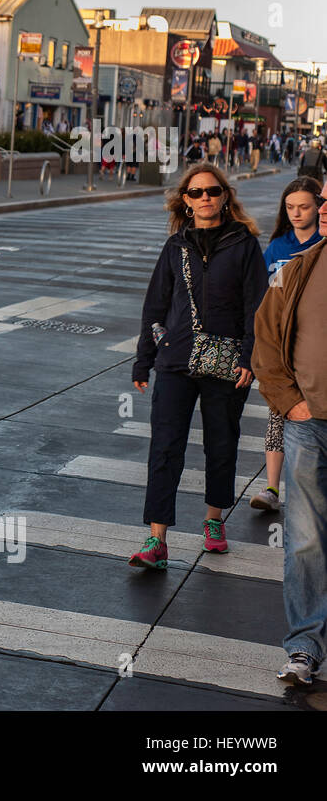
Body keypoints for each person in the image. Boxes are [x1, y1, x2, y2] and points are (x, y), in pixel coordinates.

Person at [129, 163, 266, 570]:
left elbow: (256, 308)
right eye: (196, 193)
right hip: (176, 361)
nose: (204, 197)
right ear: (185, 202)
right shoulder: (176, 247)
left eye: (212, 191)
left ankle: (213, 521)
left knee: (221, 443)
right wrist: (144, 359)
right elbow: (155, 305)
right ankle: (157, 539)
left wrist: (249, 358)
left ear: (225, 196)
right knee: (165, 447)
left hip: (226, 363)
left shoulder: (244, 244)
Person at [252, 187, 327, 686]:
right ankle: (304, 646)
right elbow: (265, 334)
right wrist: (289, 402)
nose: (323, 210)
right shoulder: (297, 268)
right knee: (304, 539)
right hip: (308, 423)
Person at [250, 177, 324, 513]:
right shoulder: (278, 246)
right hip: (283, 353)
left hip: (313, 364)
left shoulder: (322, 243)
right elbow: (262, 299)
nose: (297, 213)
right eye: (290, 207)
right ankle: (270, 487)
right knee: (278, 417)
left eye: (304, 206)